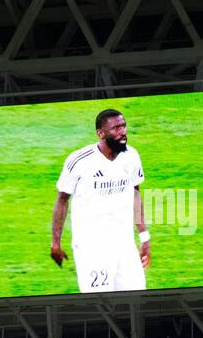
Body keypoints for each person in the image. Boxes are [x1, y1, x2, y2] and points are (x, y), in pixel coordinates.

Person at [50, 109, 149, 293]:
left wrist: (144, 236)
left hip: (124, 244)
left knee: (137, 300)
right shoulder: (79, 161)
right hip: (92, 248)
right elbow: (62, 199)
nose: (123, 131)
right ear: (101, 133)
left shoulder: (132, 156)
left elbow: (135, 192)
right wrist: (55, 242)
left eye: (124, 126)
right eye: (116, 128)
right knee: (101, 305)